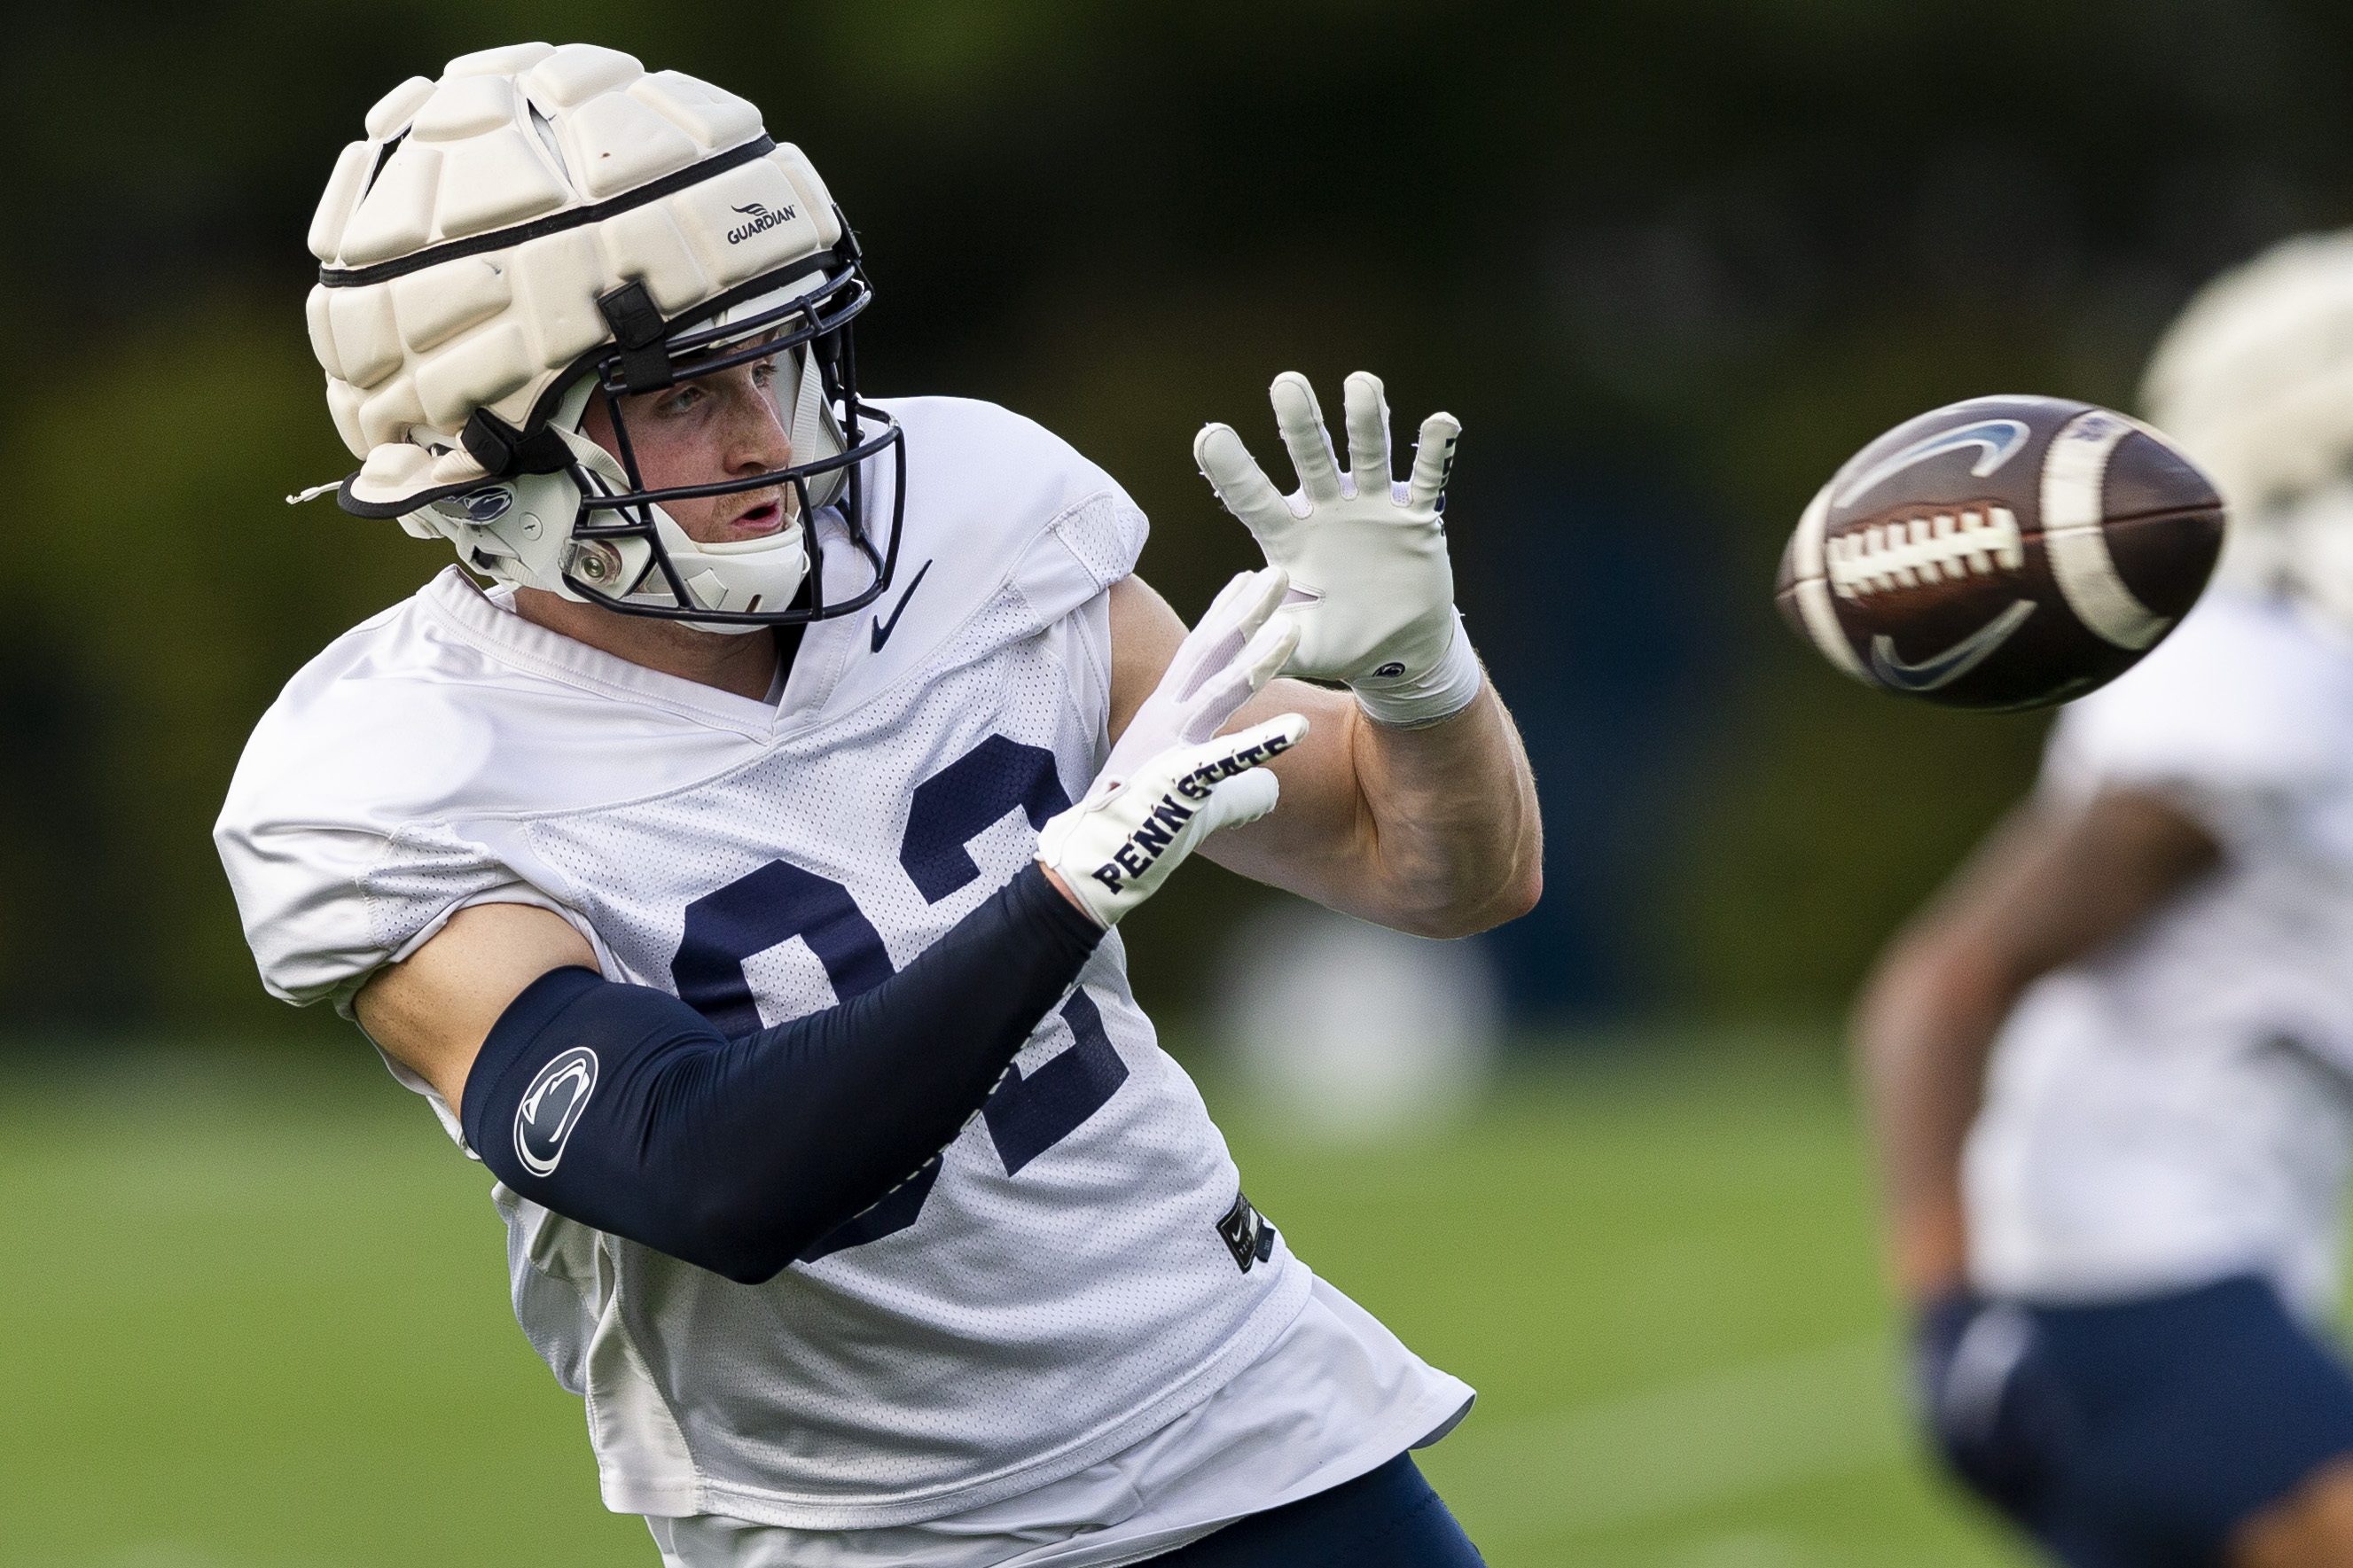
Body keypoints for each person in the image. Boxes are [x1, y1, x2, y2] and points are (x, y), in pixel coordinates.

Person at [215, 41, 1541, 1568]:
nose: (770, 438)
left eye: (776, 357)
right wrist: (1064, 884)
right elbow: (707, 1169)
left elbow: (1434, 870)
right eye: (681, 391)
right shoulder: (386, 777)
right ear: (491, 454)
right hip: (859, 1530)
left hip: (1250, 1425)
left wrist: (1421, 681)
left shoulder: (981, 515)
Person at [1854, 230, 2353, 1568]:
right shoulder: (2248, 693)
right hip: (2124, 1288)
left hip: (2206, 1274)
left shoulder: (2292, 664)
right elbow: (1940, 982)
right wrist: (1945, 1316)